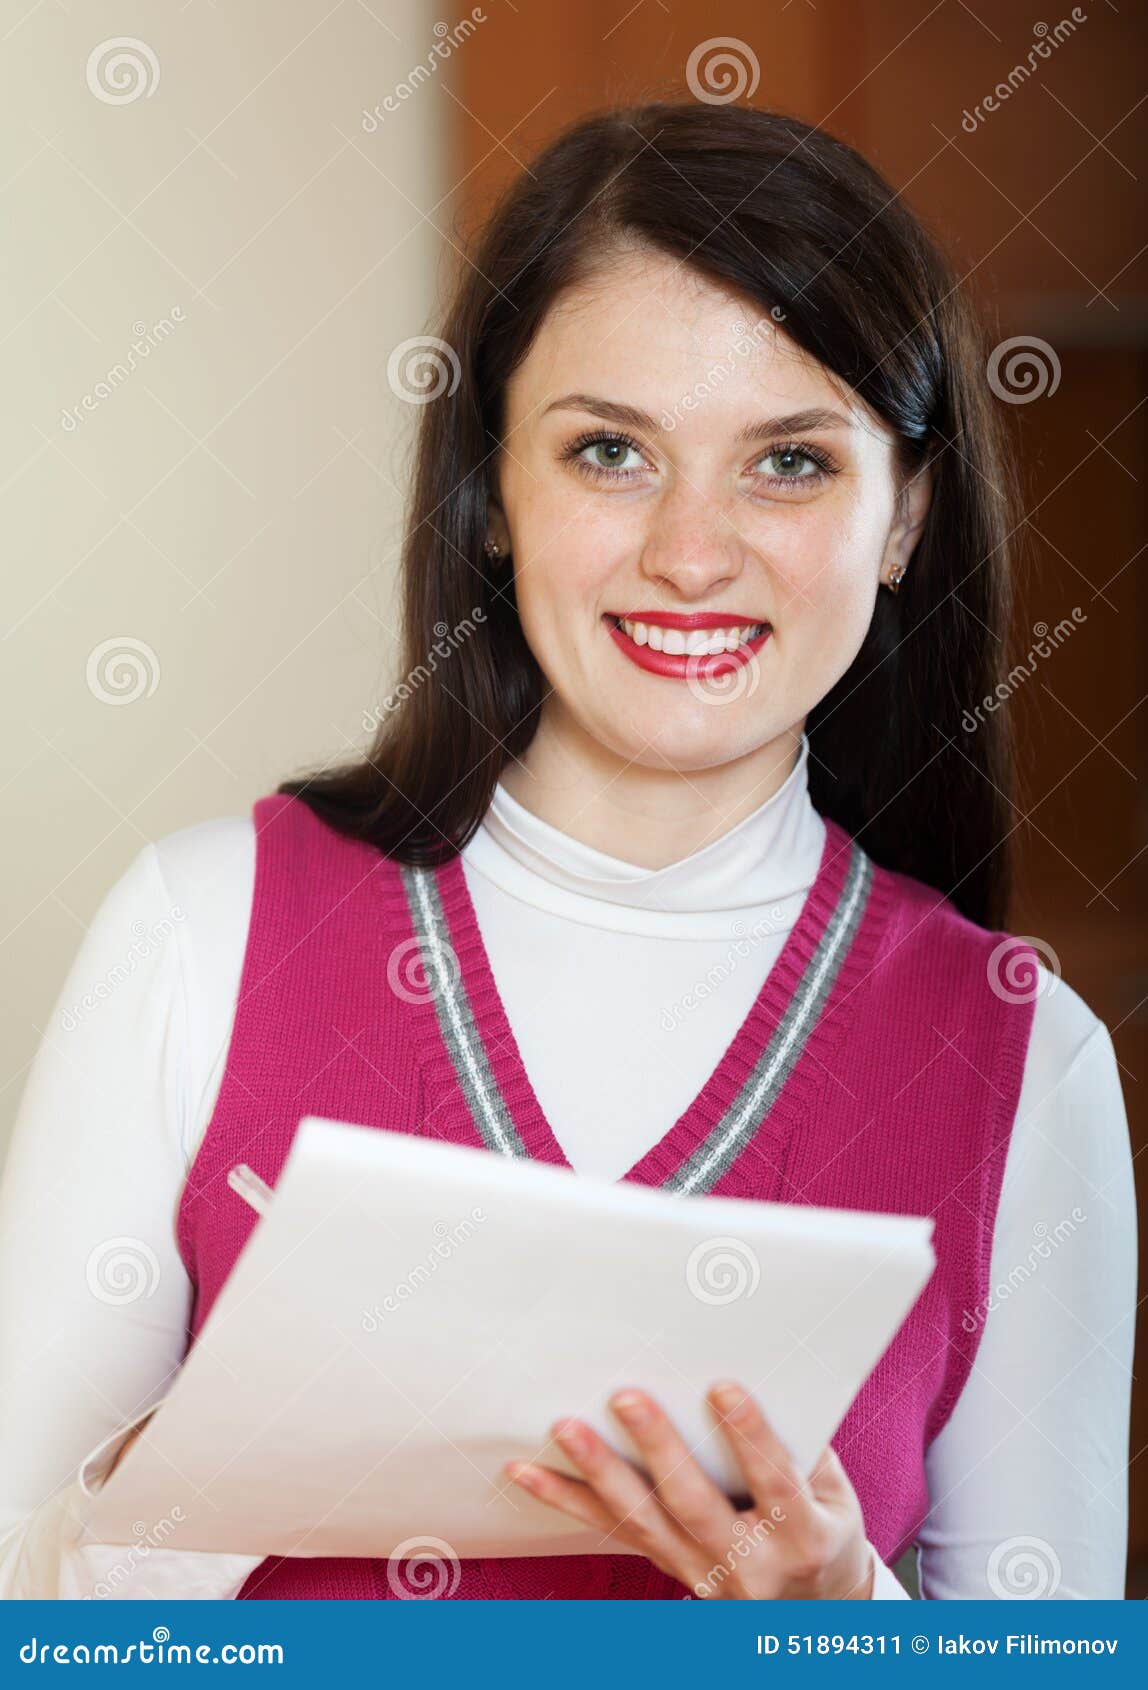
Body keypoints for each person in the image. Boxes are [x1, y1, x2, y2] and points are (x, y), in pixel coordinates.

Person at [0, 101, 1134, 1602]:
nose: (690, 551)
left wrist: (848, 1630)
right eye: (611, 451)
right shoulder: (202, 932)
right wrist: (145, 1528)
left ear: (906, 515)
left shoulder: (1021, 1058)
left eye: (789, 463)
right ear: (492, 498)